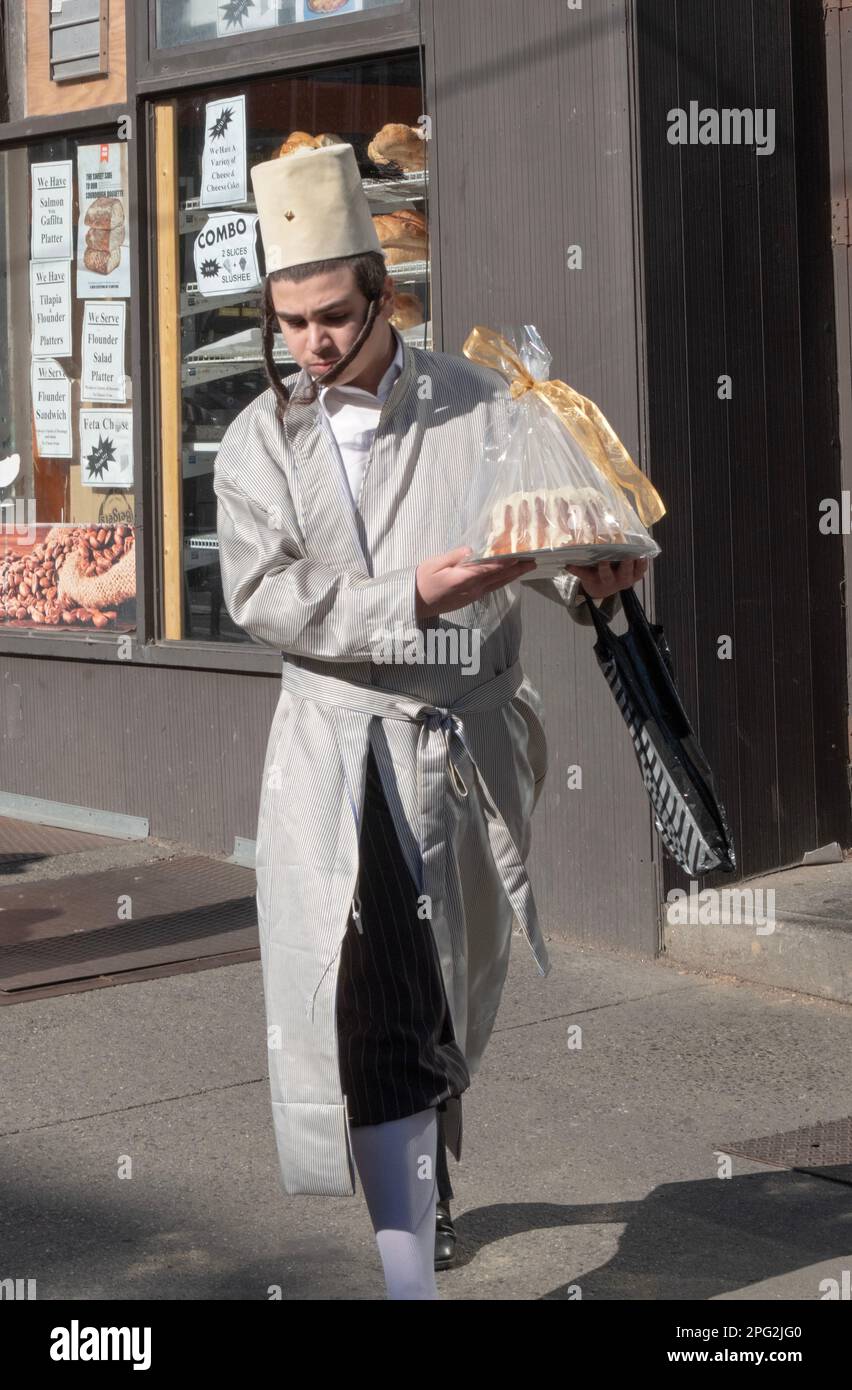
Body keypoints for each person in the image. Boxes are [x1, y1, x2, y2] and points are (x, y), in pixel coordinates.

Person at [213, 142, 648, 1300]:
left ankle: (433, 1161)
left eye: (333, 317)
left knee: (453, 990)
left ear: (384, 296)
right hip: (342, 751)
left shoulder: (481, 404)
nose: (309, 344)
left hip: (461, 744)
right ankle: (410, 1264)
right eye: (288, 320)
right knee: (371, 1001)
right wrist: (410, 594)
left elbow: (537, 535)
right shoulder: (260, 440)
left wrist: (587, 577)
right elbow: (264, 598)